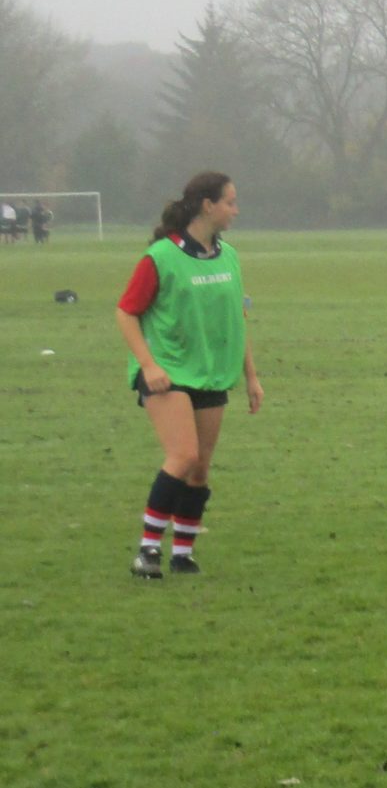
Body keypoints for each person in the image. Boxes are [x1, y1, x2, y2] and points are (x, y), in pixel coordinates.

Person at [114, 171, 263, 578]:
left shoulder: (228, 256)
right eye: (230, 202)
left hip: (213, 374)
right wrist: (149, 364)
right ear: (207, 205)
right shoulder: (160, 256)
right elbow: (126, 311)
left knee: (200, 469)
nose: (236, 209)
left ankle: (183, 554)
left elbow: (238, 319)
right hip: (168, 372)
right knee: (183, 456)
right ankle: (147, 552)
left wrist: (251, 376)